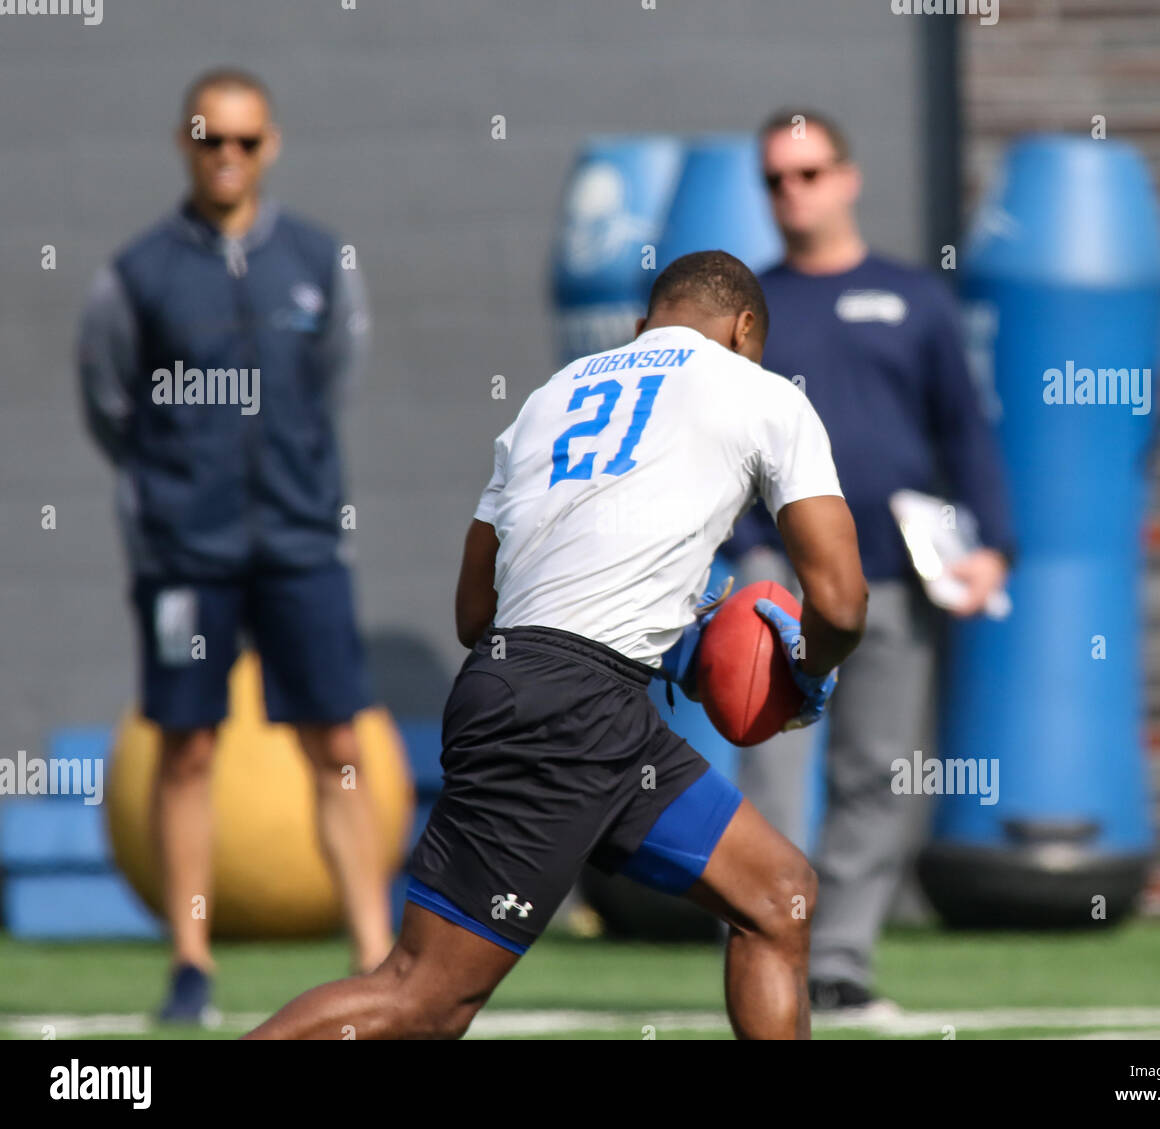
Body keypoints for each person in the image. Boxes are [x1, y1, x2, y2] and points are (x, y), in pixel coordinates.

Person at [245, 250, 867, 1040]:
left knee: (779, 895)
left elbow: (476, 611)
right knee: (422, 998)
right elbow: (842, 602)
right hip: (571, 712)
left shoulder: (552, 396)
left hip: (550, 693)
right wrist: (805, 671)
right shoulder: (763, 393)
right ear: (745, 331)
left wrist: (665, 638)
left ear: (642, 328)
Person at [77, 69, 389, 1023]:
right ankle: (191, 964)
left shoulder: (318, 260)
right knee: (185, 750)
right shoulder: (136, 275)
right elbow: (110, 404)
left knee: (337, 741)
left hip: (299, 543)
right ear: (185, 143)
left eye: (246, 142)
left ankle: (377, 955)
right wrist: (182, 492)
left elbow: (336, 377)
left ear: (271, 145)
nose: (228, 157)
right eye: (211, 139)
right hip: (187, 557)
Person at [726, 109, 1015, 1013]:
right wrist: (736, 548)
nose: (793, 193)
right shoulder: (748, 310)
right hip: (775, 572)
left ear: (848, 178)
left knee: (880, 772)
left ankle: (840, 963)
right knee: (770, 773)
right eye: (775, 179)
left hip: (890, 568)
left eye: (809, 174)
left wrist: (994, 547)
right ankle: (766, 955)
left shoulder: (916, 297)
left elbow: (964, 427)